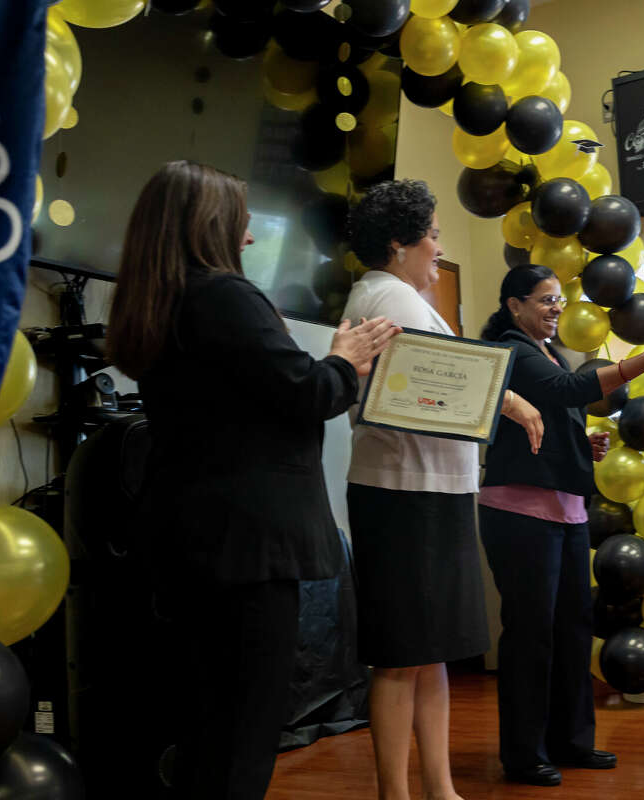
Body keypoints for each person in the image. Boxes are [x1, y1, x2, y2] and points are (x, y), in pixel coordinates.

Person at [106, 160, 399, 800]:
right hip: (245, 547)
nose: (250, 238)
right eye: (240, 223)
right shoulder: (224, 296)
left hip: (188, 539)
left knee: (207, 723)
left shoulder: (159, 301)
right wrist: (347, 360)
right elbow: (306, 391)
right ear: (211, 224)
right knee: (244, 731)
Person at [342, 180, 543, 800]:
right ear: (399, 243)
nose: (438, 247)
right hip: (406, 493)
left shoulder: (396, 295)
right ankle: (396, 793)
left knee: (428, 651)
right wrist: (510, 400)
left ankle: (440, 786)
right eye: (431, 235)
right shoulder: (388, 297)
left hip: (428, 490)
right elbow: (445, 384)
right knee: (404, 652)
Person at [478, 265, 644, 787]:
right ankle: (523, 754)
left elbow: (553, 413)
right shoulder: (512, 351)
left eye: (559, 300)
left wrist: (583, 445)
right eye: (545, 300)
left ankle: (572, 741)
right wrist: (640, 362)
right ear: (514, 306)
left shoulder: (548, 350)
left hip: (565, 509)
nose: (556, 309)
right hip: (518, 512)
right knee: (531, 636)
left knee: (573, 631)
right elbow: (564, 388)